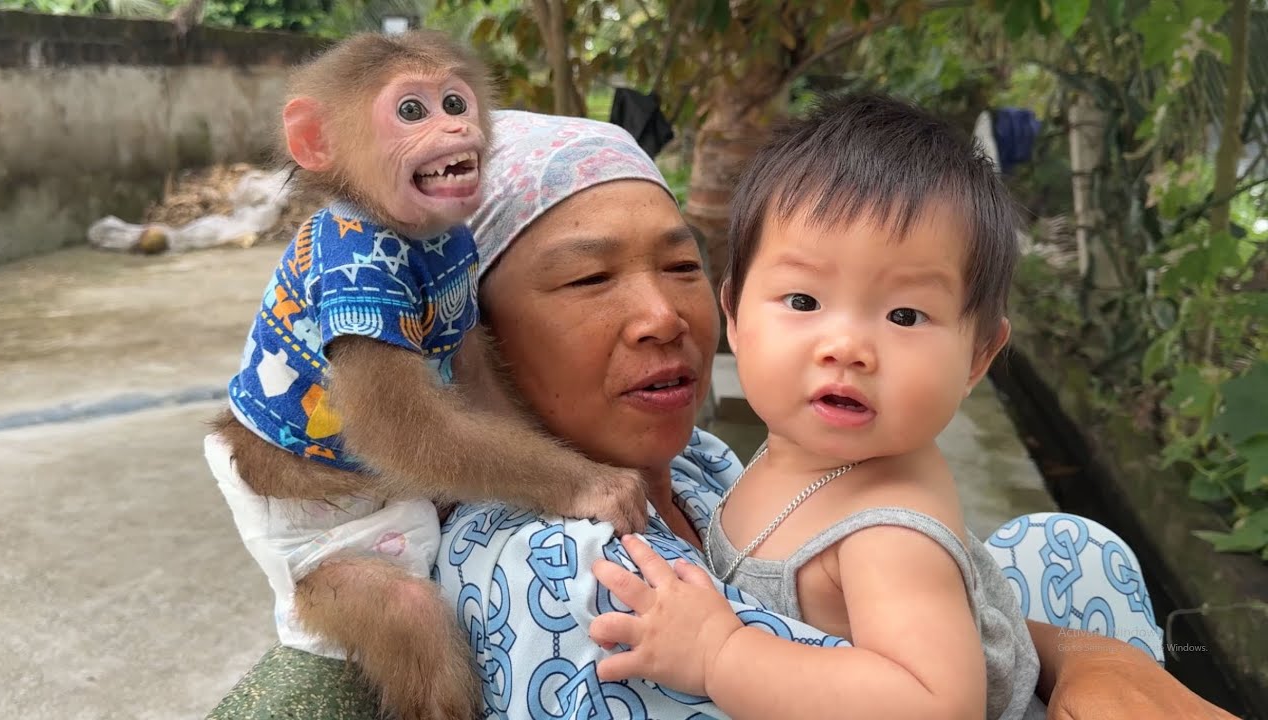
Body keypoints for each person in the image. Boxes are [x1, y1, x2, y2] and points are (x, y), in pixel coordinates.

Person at [206, 109, 1238, 720]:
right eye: (587, 280)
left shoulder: (699, 464)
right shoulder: (570, 574)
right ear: (474, 341)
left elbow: (918, 614)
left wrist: (1083, 658)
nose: (664, 315)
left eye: (679, 266)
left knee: (1066, 542)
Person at [586, 92, 1039, 719]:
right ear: (735, 314)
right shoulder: (787, 453)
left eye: (905, 315)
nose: (846, 348)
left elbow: (936, 705)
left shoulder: (889, 532)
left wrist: (720, 653)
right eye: (803, 302)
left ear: (978, 358)